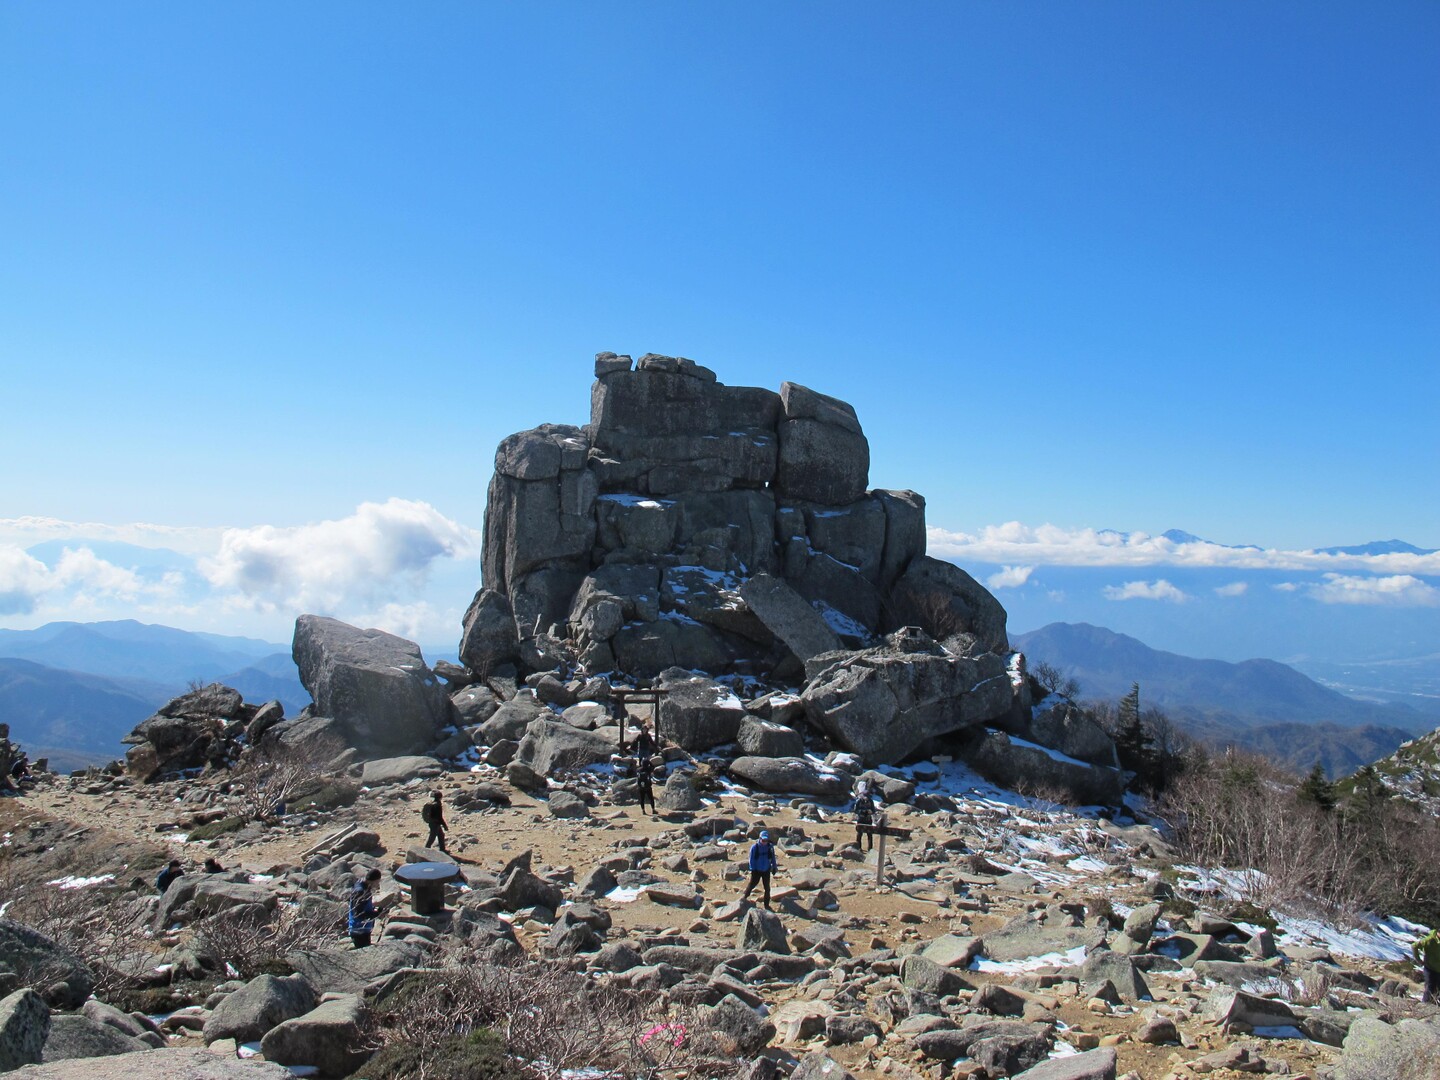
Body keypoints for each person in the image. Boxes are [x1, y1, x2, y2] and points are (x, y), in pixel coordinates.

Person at [741, 830, 778, 908]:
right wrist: (752, 869)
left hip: (766, 870)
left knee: (767, 888)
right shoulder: (755, 847)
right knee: (752, 885)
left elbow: (773, 857)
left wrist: (774, 867)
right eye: (763, 840)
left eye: (766, 840)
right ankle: (744, 898)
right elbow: (751, 859)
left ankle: (766, 905)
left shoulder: (770, 847)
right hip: (756, 870)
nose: (764, 842)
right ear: (759, 839)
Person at [348, 868, 382, 948]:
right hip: (359, 930)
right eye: (377, 882)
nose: (378, 885)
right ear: (373, 881)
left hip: (363, 929)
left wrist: (374, 910)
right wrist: (376, 914)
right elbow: (358, 914)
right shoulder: (360, 891)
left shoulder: (363, 887)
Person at [1414, 926, 1440, 1003]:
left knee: (1438, 990)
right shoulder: (1429, 940)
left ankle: (1435, 1006)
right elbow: (1414, 946)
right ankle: (1424, 1006)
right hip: (1430, 968)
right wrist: (1418, 960)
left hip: (1438, 969)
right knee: (1430, 988)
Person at [634, 752, 657, 817]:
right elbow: (653, 766)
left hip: (641, 787)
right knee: (651, 798)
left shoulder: (638, 770)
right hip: (648, 786)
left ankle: (643, 810)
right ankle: (653, 809)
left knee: (642, 799)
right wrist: (649, 762)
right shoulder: (648, 769)